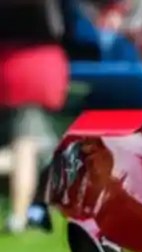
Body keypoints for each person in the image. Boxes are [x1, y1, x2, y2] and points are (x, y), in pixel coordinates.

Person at [0, 0, 70, 234]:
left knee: (27, 148)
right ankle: (20, 215)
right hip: (41, 66)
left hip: (12, 64)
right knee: (28, 147)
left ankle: (21, 215)